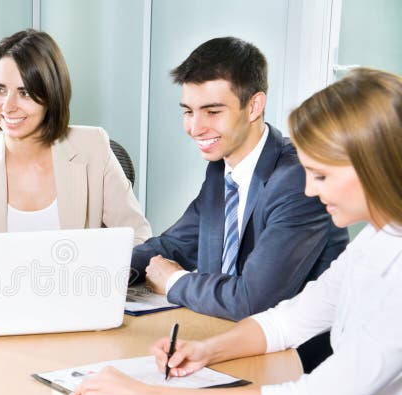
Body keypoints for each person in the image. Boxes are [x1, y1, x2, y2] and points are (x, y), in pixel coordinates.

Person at [72, 68, 402, 395]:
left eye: (321, 175)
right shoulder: (379, 238)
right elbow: (288, 320)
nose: (310, 189)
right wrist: (207, 350)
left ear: (374, 166)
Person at [130, 36, 348, 321]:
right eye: (188, 112)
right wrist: (102, 270)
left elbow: (255, 300)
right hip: (221, 332)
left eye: (212, 112)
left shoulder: (297, 178)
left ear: (254, 106)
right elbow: (173, 245)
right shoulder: (221, 170)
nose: (195, 128)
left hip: (292, 344)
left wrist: (174, 281)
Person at [0, 29, 152, 287]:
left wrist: (95, 279)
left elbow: (137, 236)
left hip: (79, 294)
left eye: (25, 92)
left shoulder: (93, 147)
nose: (8, 106)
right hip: (0, 297)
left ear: (52, 94)